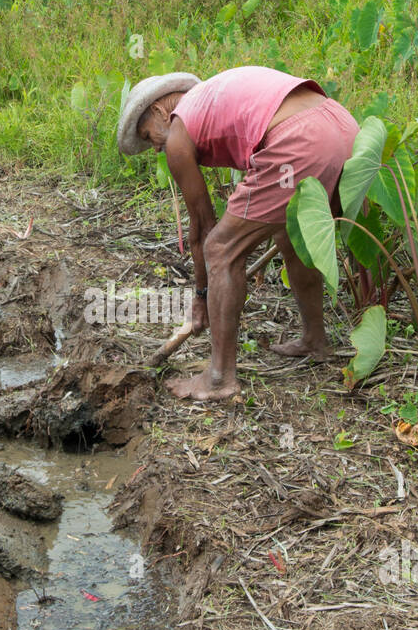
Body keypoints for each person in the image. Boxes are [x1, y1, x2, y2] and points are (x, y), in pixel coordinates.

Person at [116, 65, 359, 402]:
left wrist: (201, 296)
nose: (156, 148)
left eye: (147, 136)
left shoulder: (178, 130)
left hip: (301, 141)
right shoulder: (209, 99)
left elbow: (203, 228)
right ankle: (315, 341)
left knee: (222, 250)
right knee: (292, 233)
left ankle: (219, 379)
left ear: (159, 111)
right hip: (342, 126)